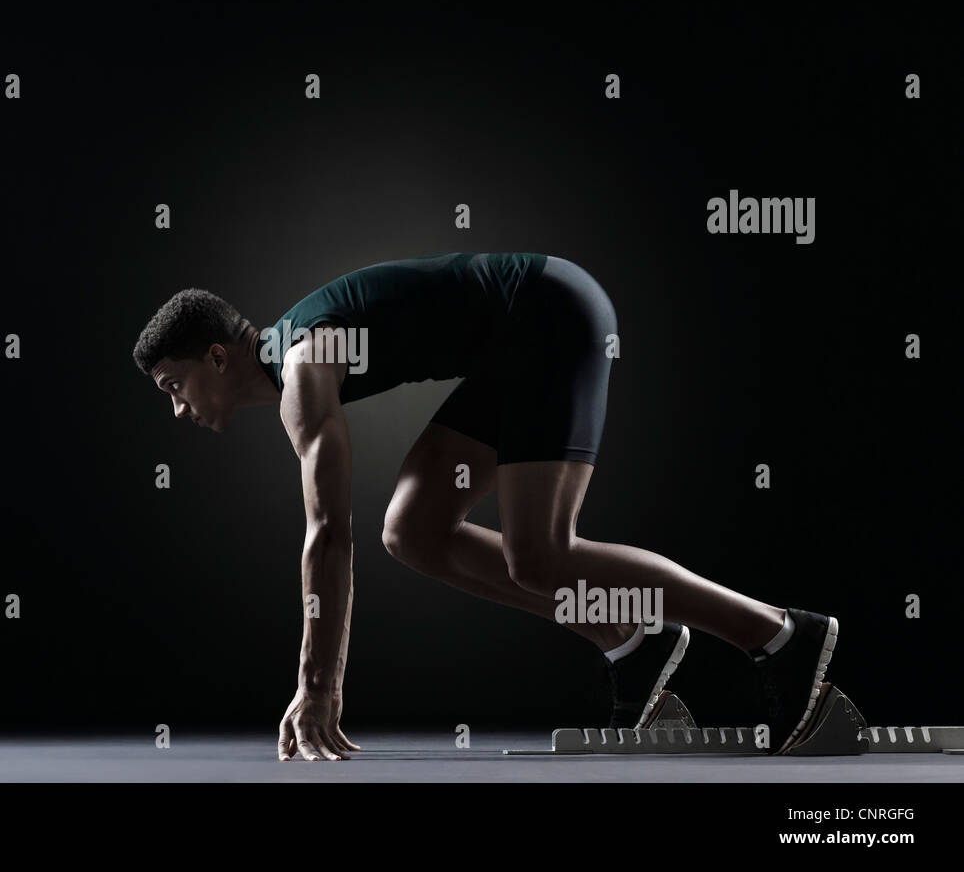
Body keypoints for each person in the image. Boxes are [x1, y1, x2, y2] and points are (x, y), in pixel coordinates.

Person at [132, 252, 838, 760]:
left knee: (540, 555)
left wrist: (318, 686)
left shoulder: (303, 368)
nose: (177, 409)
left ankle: (781, 635)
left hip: (549, 313)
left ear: (217, 358)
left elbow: (328, 533)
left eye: (173, 386)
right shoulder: (292, 356)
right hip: (509, 348)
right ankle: (632, 642)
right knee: (415, 531)